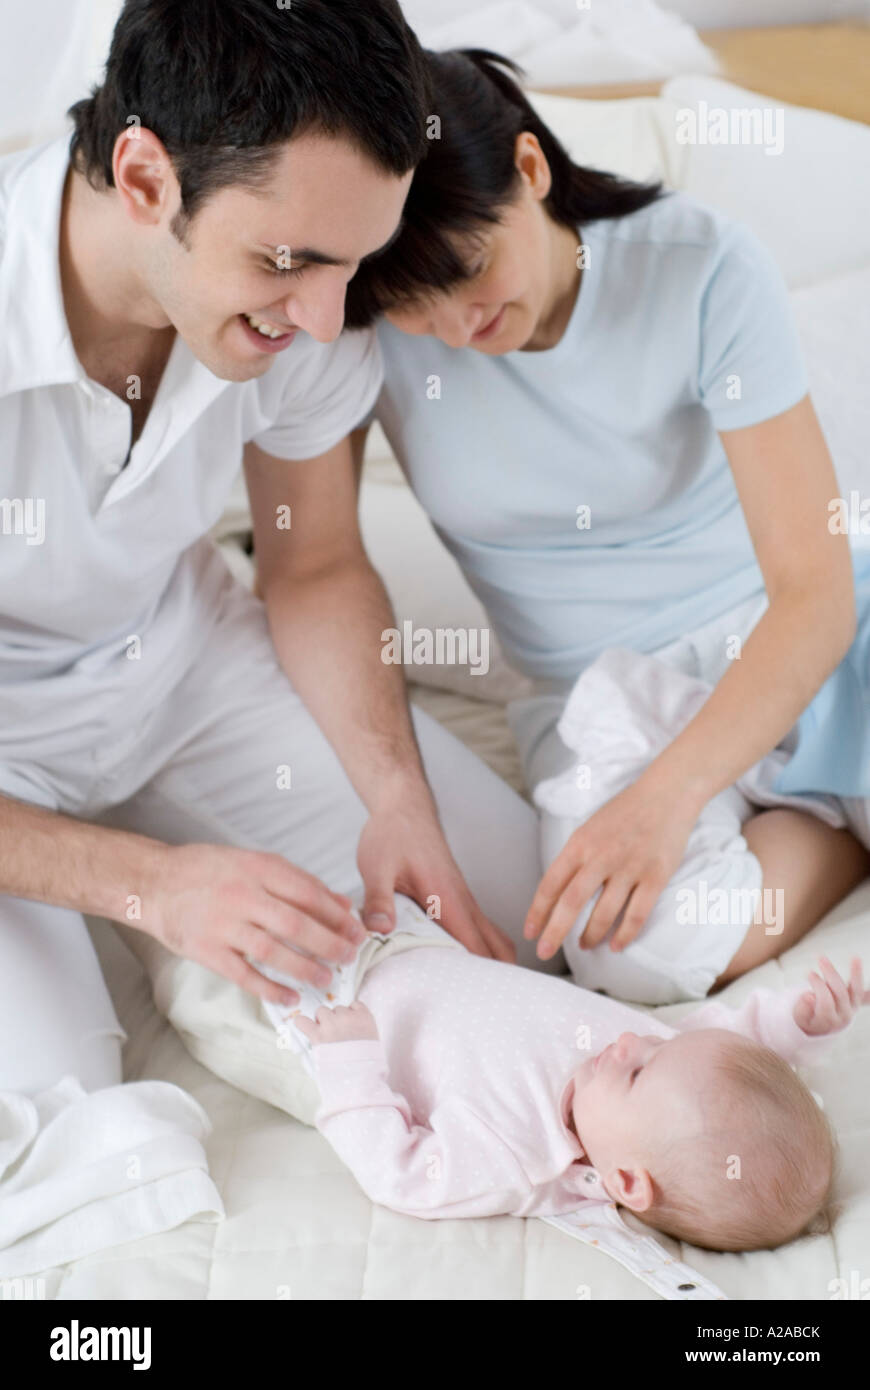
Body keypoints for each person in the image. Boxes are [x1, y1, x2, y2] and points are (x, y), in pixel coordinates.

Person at [0, 2, 559, 1261]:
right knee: (66, 1156)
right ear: (147, 177)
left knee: (521, 928)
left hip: (178, 658)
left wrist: (391, 795)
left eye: (353, 266)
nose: (323, 319)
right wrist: (154, 889)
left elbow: (311, 564)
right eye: (287, 263)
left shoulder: (311, 294)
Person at [345, 47, 870, 1003]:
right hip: (602, 702)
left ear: (532, 170)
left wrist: (671, 803)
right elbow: (313, 562)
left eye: (469, 271)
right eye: (412, 308)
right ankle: (831, 836)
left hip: (796, 641)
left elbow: (816, 590)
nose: (458, 330)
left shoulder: (702, 264)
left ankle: (816, 792)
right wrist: (653, 797)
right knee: (620, 944)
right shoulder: (359, 331)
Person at [293, 920, 868, 1253]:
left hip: (312, 1017)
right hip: (405, 937)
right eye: (655, 1047)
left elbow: (398, 1173)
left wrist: (349, 1064)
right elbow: (715, 1042)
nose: (629, 1044)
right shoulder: (663, 1072)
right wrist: (798, 1027)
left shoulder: (521, 1156)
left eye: (638, 1071)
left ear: (624, 1181)